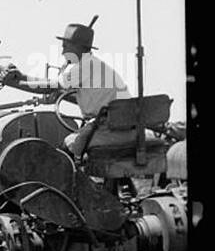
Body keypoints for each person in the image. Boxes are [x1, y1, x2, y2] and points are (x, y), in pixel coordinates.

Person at [11, 22, 131, 159]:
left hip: (108, 125)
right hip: (118, 122)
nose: (62, 52)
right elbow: (56, 85)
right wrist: (21, 76)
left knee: (63, 153)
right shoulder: (92, 64)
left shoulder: (85, 66)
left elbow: (50, 86)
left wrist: (17, 82)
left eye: (65, 47)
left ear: (78, 47)